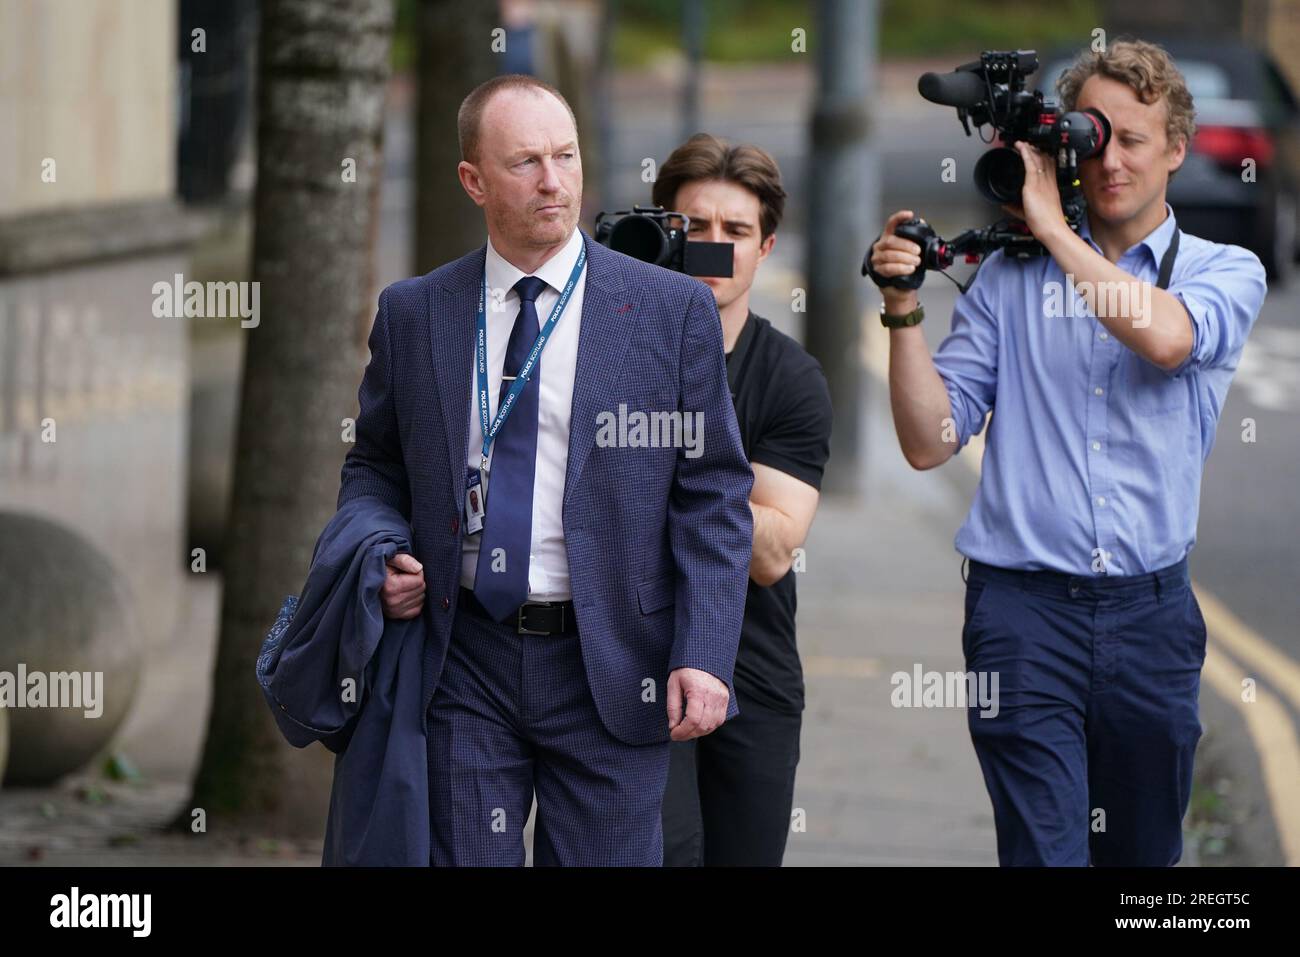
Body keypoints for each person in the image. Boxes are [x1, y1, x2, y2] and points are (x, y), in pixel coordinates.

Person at [868, 39, 1267, 866]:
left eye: (1131, 139)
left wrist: (1051, 226)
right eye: (1093, 136)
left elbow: (1164, 339)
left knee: (1143, 861)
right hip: (1021, 617)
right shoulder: (1010, 278)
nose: (1109, 159)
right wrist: (904, 310)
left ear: (1176, 152)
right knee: (1046, 854)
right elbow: (926, 443)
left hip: (1150, 620)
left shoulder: (1224, 270)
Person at [338, 74, 753, 866]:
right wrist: (379, 550)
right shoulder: (415, 312)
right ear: (473, 180)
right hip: (465, 659)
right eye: (526, 161)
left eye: (565, 156)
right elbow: (375, 465)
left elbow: (713, 493)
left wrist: (702, 650)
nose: (553, 181)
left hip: (612, 662)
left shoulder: (670, 311)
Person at [654, 134, 832, 866]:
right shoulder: (601, 358)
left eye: (735, 232)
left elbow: (771, 552)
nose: (714, 246)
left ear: (766, 249)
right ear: (663, 231)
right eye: (694, 228)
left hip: (749, 667)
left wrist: (660, 479)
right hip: (627, 655)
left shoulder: (790, 379)